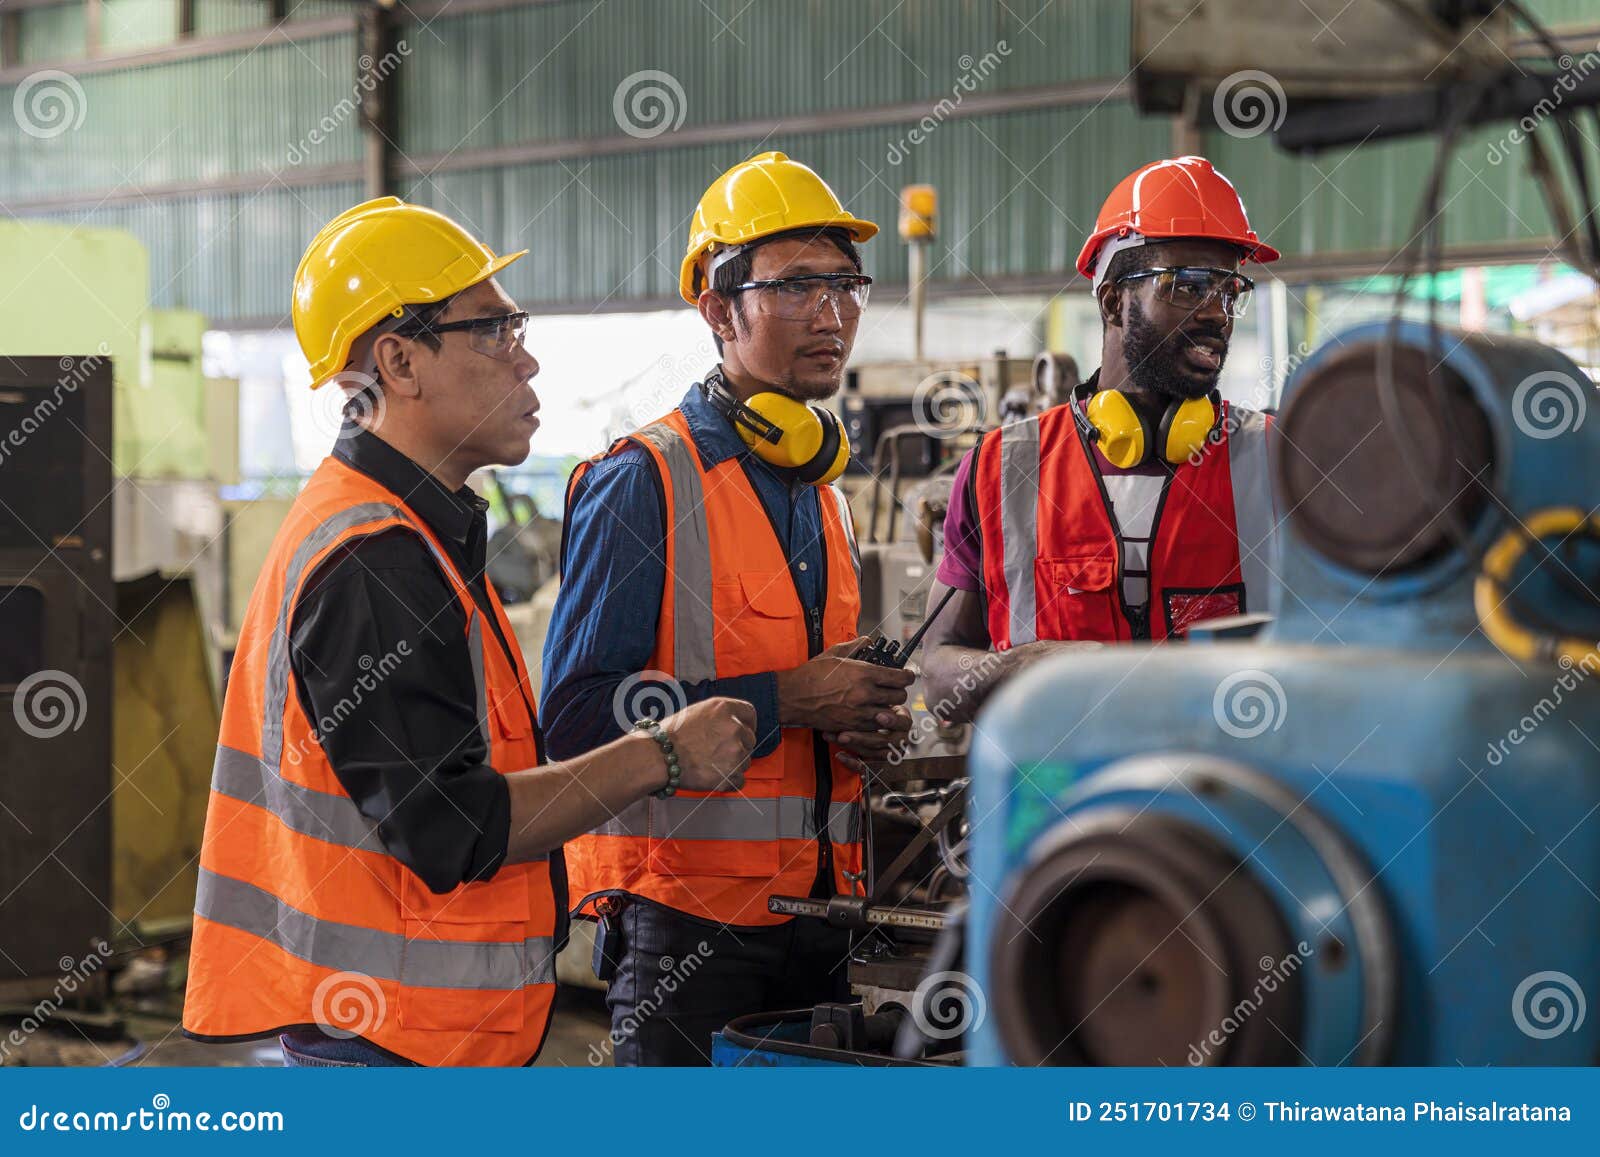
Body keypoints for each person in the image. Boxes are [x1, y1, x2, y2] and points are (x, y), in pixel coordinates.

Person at [182, 198, 755, 1067]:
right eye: (494, 330)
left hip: (409, 1032)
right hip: (394, 1048)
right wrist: (663, 754)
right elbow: (456, 826)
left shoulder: (408, 531)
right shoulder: (375, 559)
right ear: (400, 361)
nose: (525, 359)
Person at [542, 152, 914, 1066]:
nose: (833, 315)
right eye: (796, 288)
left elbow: (814, 699)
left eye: (846, 284)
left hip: (826, 917)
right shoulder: (643, 481)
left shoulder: (821, 492)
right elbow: (576, 721)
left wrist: (860, 724)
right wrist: (793, 699)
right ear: (718, 308)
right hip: (689, 934)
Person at [922, 156, 1281, 722]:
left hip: (1222, 801)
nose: (1218, 313)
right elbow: (939, 677)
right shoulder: (1001, 468)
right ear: (1113, 300)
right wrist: (1030, 666)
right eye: (1187, 287)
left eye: (1229, 289)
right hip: (1054, 803)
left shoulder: (1276, 458)